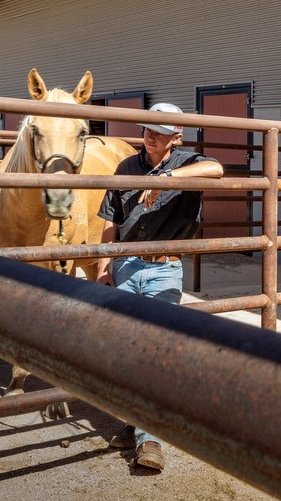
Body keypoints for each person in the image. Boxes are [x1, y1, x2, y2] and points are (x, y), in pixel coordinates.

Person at [95, 102, 223, 471]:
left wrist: (165, 179)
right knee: (127, 348)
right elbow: (110, 220)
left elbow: (216, 169)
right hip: (126, 265)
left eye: (160, 133)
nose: (150, 136)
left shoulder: (188, 162)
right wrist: (103, 267)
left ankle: (149, 438)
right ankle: (139, 422)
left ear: (176, 138)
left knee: (154, 351)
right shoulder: (126, 167)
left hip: (165, 269)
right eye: (148, 129)